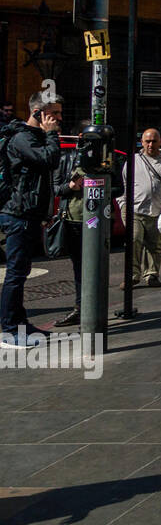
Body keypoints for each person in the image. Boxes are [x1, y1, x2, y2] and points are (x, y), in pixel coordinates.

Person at [0, 92, 63, 345]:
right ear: (38, 113)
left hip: (28, 214)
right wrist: (51, 134)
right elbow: (50, 159)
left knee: (21, 271)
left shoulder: (33, 138)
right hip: (18, 214)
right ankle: (8, 329)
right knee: (15, 274)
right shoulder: (23, 138)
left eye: (59, 112)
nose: (59, 118)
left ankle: (20, 323)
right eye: (54, 113)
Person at [123, 128, 161, 289]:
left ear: (160, 142)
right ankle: (132, 276)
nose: (150, 144)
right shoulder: (133, 160)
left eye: (154, 141)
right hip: (135, 210)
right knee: (134, 240)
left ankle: (151, 275)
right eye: (147, 141)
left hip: (158, 211)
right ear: (142, 143)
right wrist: (123, 205)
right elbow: (125, 184)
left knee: (154, 245)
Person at [51, 120, 93, 328]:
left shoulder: (105, 161)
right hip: (73, 221)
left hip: (97, 222)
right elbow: (56, 188)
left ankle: (94, 308)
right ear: (79, 138)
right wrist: (71, 186)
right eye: (86, 138)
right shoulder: (67, 157)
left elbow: (120, 188)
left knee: (96, 267)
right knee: (79, 268)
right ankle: (80, 308)